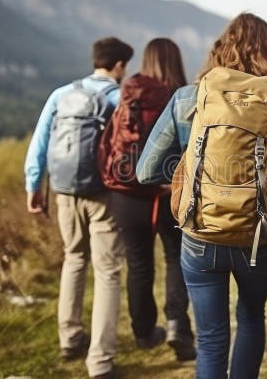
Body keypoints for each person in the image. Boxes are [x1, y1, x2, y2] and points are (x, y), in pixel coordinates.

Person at [136, 13, 267, 379]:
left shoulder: (188, 99)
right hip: (260, 236)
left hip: (201, 232)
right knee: (251, 317)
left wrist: (189, 175)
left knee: (211, 337)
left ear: (219, 51)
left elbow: (145, 171)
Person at [25, 37, 132, 379]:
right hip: (102, 195)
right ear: (119, 65)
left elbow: (40, 143)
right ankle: (100, 361)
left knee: (74, 258)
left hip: (64, 191)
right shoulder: (118, 97)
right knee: (108, 271)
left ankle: (69, 339)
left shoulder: (61, 94)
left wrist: (33, 186)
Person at [104, 38, 196, 360]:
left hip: (127, 192)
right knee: (176, 257)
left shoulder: (129, 91)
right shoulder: (181, 95)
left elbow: (111, 140)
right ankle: (177, 326)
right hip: (169, 191)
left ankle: (144, 332)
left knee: (139, 263)